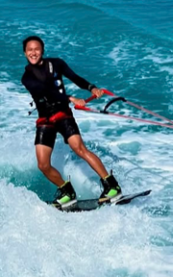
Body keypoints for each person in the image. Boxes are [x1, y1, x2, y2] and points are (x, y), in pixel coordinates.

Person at [21, 35, 121, 208]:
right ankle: (67, 191)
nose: (33, 52)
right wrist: (71, 98)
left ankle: (112, 186)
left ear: (42, 50)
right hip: (45, 120)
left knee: (79, 148)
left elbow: (75, 77)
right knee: (43, 165)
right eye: (30, 50)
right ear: (25, 53)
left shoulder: (56, 64)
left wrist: (92, 88)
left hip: (63, 115)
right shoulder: (27, 78)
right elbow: (45, 91)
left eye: (36, 49)